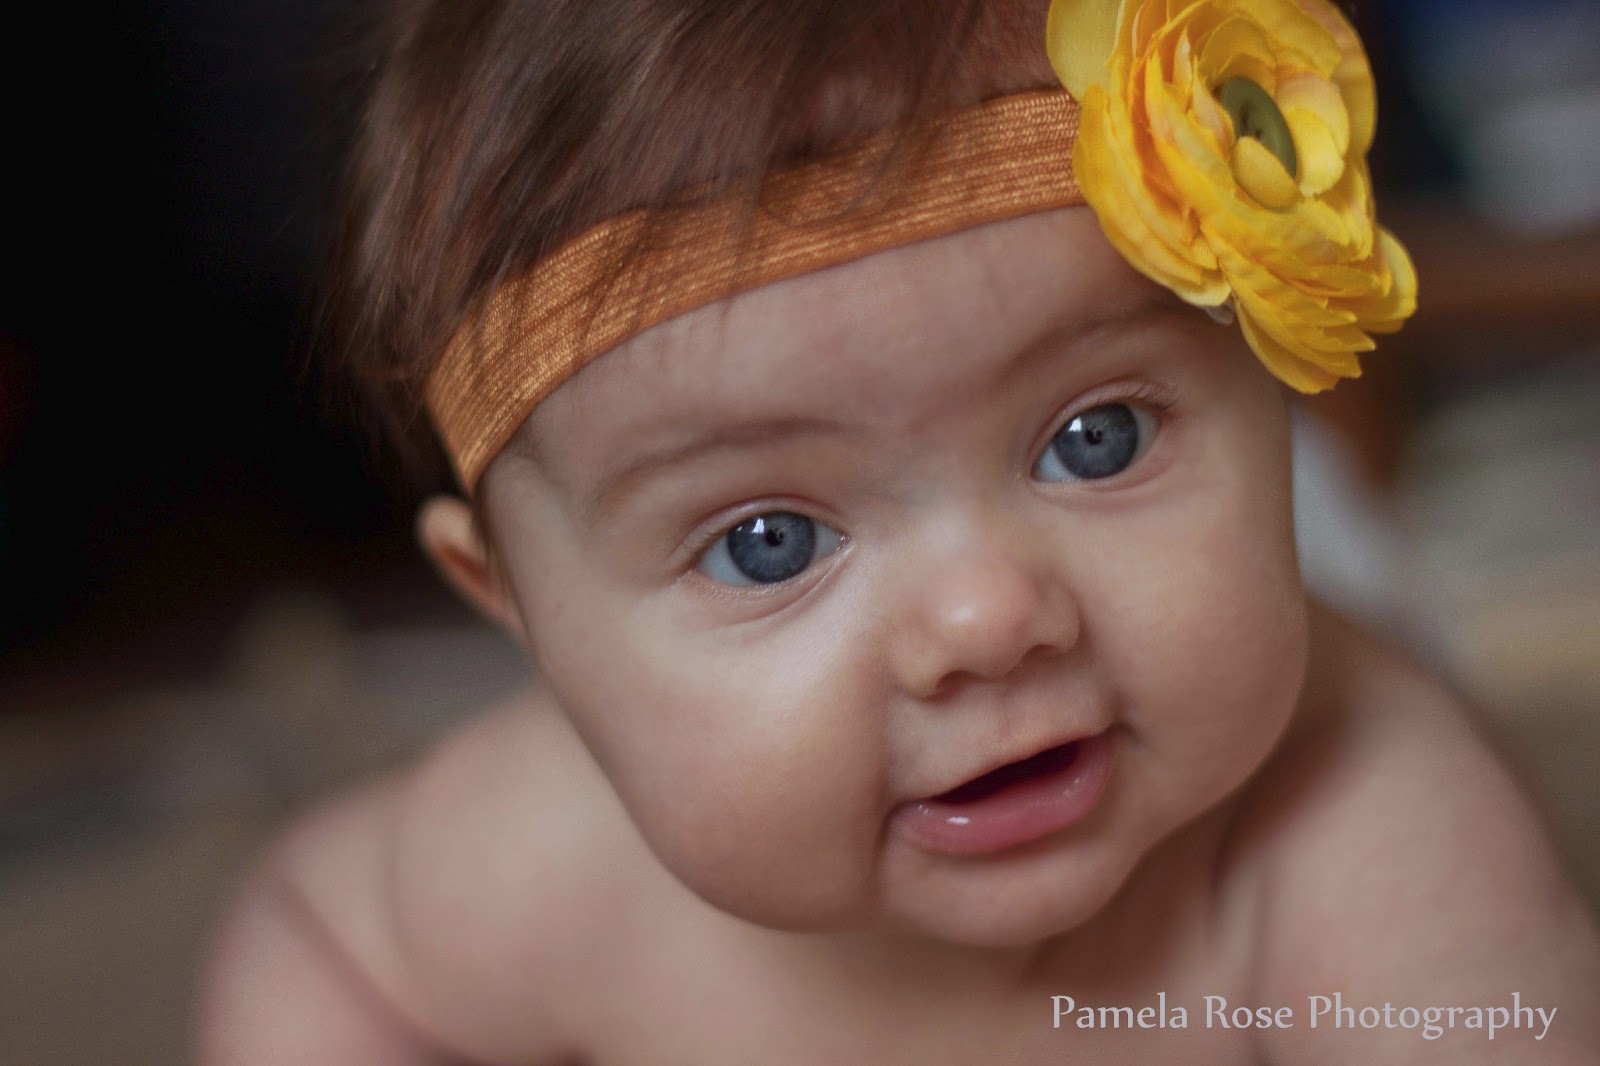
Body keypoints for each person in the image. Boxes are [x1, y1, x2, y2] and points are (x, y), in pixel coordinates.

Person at [196, 0, 1600, 1061]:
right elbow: (319, 938)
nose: (987, 616)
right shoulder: (547, 849)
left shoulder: (1365, 833)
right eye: (768, 541)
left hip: (1336, 586)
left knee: (1356, 593)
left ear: (1253, 380)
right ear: (514, 608)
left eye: (1092, 434)